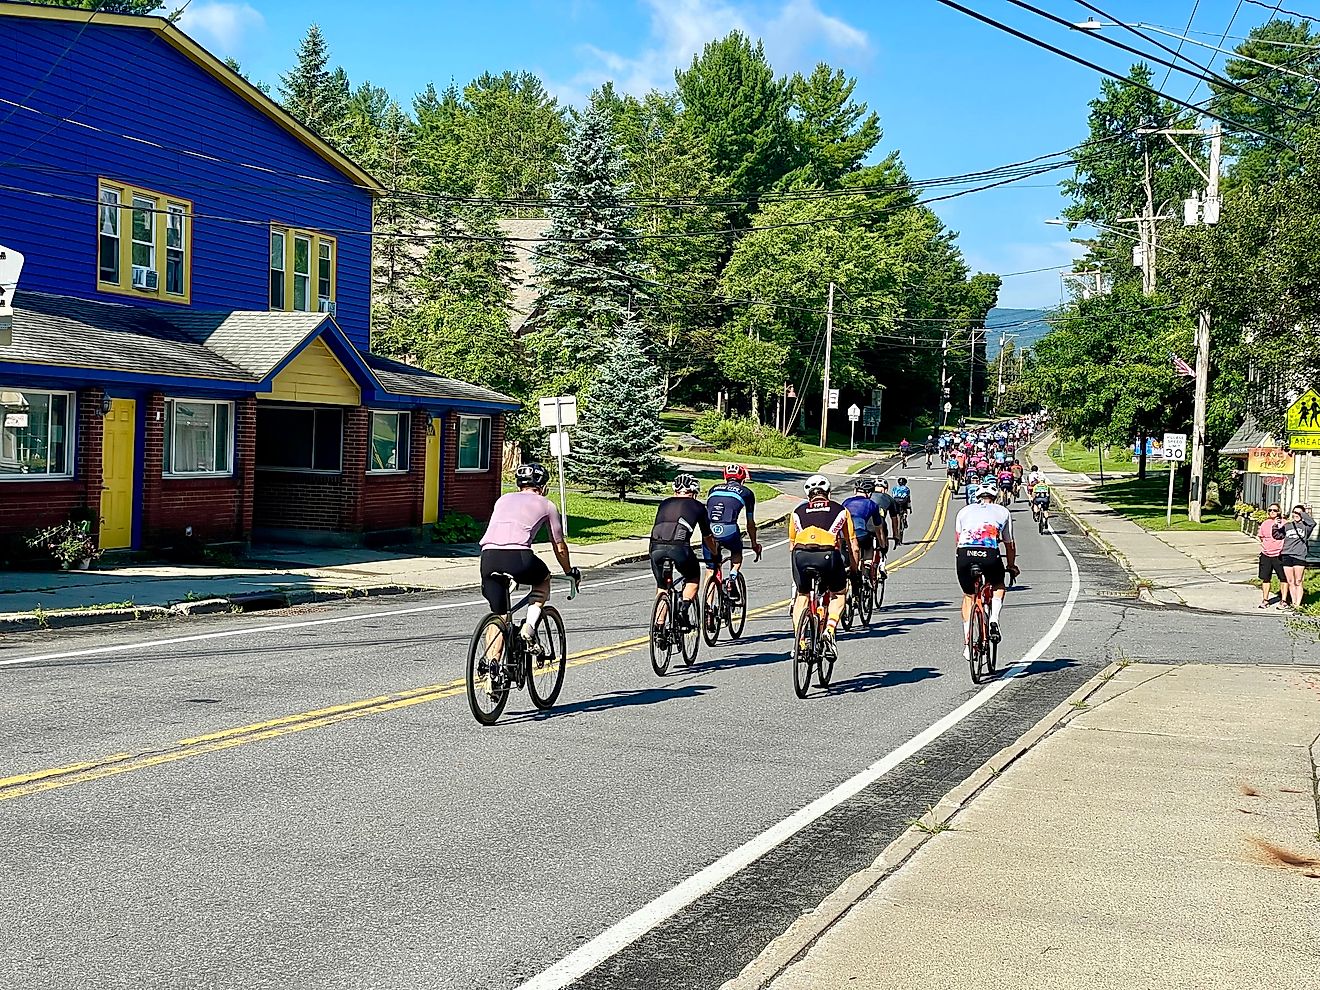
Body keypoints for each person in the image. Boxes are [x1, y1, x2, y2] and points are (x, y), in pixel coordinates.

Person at [479, 462, 579, 640]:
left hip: (488, 557)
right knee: (543, 579)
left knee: (500, 617)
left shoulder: (503, 500)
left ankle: (490, 657)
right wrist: (569, 571)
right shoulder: (547, 505)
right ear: (543, 486)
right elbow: (559, 545)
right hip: (518, 557)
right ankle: (529, 627)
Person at [789, 475, 860, 654]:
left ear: (808, 496)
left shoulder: (797, 512)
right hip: (827, 554)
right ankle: (829, 629)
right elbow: (853, 545)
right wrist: (854, 570)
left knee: (802, 596)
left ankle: (800, 640)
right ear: (828, 493)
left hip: (801, 555)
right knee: (839, 593)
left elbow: (792, 545)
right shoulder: (841, 510)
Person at [955, 479, 1020, 658]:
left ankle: (968, 645)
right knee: (998, 584)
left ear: (976, 497)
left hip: (965, 554)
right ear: (995, 497)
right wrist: (1011, 565)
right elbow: (1009, 544)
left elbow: (958, 540)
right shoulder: (1003, 511)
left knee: (969, 596)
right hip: (989, 554)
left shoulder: (964, 511)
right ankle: (994, 619)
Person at [649, 473, 717, 629]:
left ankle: (659, 626)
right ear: (694, 492)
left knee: (662, 587)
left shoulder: (664, 503)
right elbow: (707, 537)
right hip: (679, 548)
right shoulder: (698, 506)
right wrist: (714, 553)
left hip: (655, 547)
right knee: (693, 578)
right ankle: (683, 609)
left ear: (675, 491)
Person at [704, 463, 764, 601]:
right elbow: (750, 523)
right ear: (742, 479)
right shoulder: (747, 492)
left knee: (710, 569)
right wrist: (754, 544)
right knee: (736, 552)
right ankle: (732, 575)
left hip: (709, 530)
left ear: (725, 478)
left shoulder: (713, 488)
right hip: (729, 530)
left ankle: (708, 607)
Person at [842, 479, 887, 596]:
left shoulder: (846, 502)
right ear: (870, 493)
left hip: (845, 536)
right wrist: (882, 545)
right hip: (861, 533)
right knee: (868, 547)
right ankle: (866, 572)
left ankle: (847, 573)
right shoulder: (872, 504)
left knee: (847, 561)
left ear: (855, 491)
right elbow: (878, 529)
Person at [1274, 503, 1315, 611]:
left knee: (1298, 581)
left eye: (1298, 513)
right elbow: (1277, 535)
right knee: (1290, 581)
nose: (1296, 515)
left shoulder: (1306, 527)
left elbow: (1313, 523)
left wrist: (1303, 513)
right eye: (1294, 512)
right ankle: (1293, 603)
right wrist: (1275, 525)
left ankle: (1298, 605)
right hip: (1287, 554)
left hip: (1299, 555)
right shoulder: (1287, 525)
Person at [1257, 503, 1286, 609]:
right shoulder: (1265, 523)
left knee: (1283, 578)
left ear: (1279, 512)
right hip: (1266, 554)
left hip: (1279, 555)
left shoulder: (1284, 523)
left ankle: (1283, 600)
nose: (1272, 512)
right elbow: (1261, 537)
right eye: (1270, 510)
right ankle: (1265, 600)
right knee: (1266, 578)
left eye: (1274, 510)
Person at [868, 477, 894, 564]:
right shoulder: (888, 498)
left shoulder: (868, 496)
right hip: (880, 524)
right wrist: (896, 536)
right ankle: (883, 557)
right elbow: (895, 519)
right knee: (884, 536)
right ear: (885, 489)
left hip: (865, 525)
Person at [890, 477, 912, 544]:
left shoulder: (894, 488)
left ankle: (898, 518)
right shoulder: (907, 489)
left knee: (896, 512)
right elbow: (908, 499)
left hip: (896, 501)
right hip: (903, 501)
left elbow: (893, 497)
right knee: (905, 507)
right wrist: (910, 508)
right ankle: (905, 517)